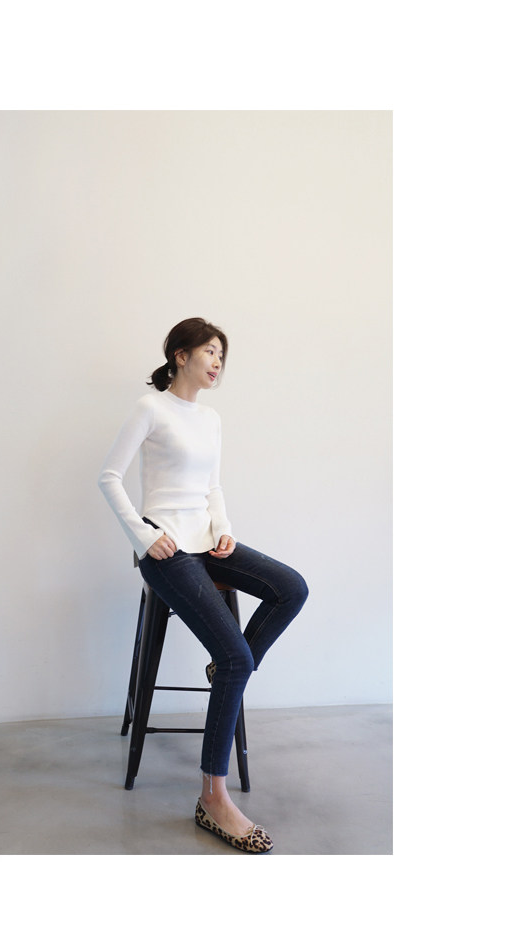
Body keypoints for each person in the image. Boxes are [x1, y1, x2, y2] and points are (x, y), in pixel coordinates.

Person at [98, 317, 308, 853]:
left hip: (207, 541)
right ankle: (212, 798)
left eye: (221, 354)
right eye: (210, 351)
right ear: (180, 355)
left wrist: (224, 528)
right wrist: (145, 537)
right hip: (167, 548)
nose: (217, 362)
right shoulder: (150, 408)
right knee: (236, 657)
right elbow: (109, 477)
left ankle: (230, 668)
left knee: (291, 588)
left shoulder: (211, 418)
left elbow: (212, 487)